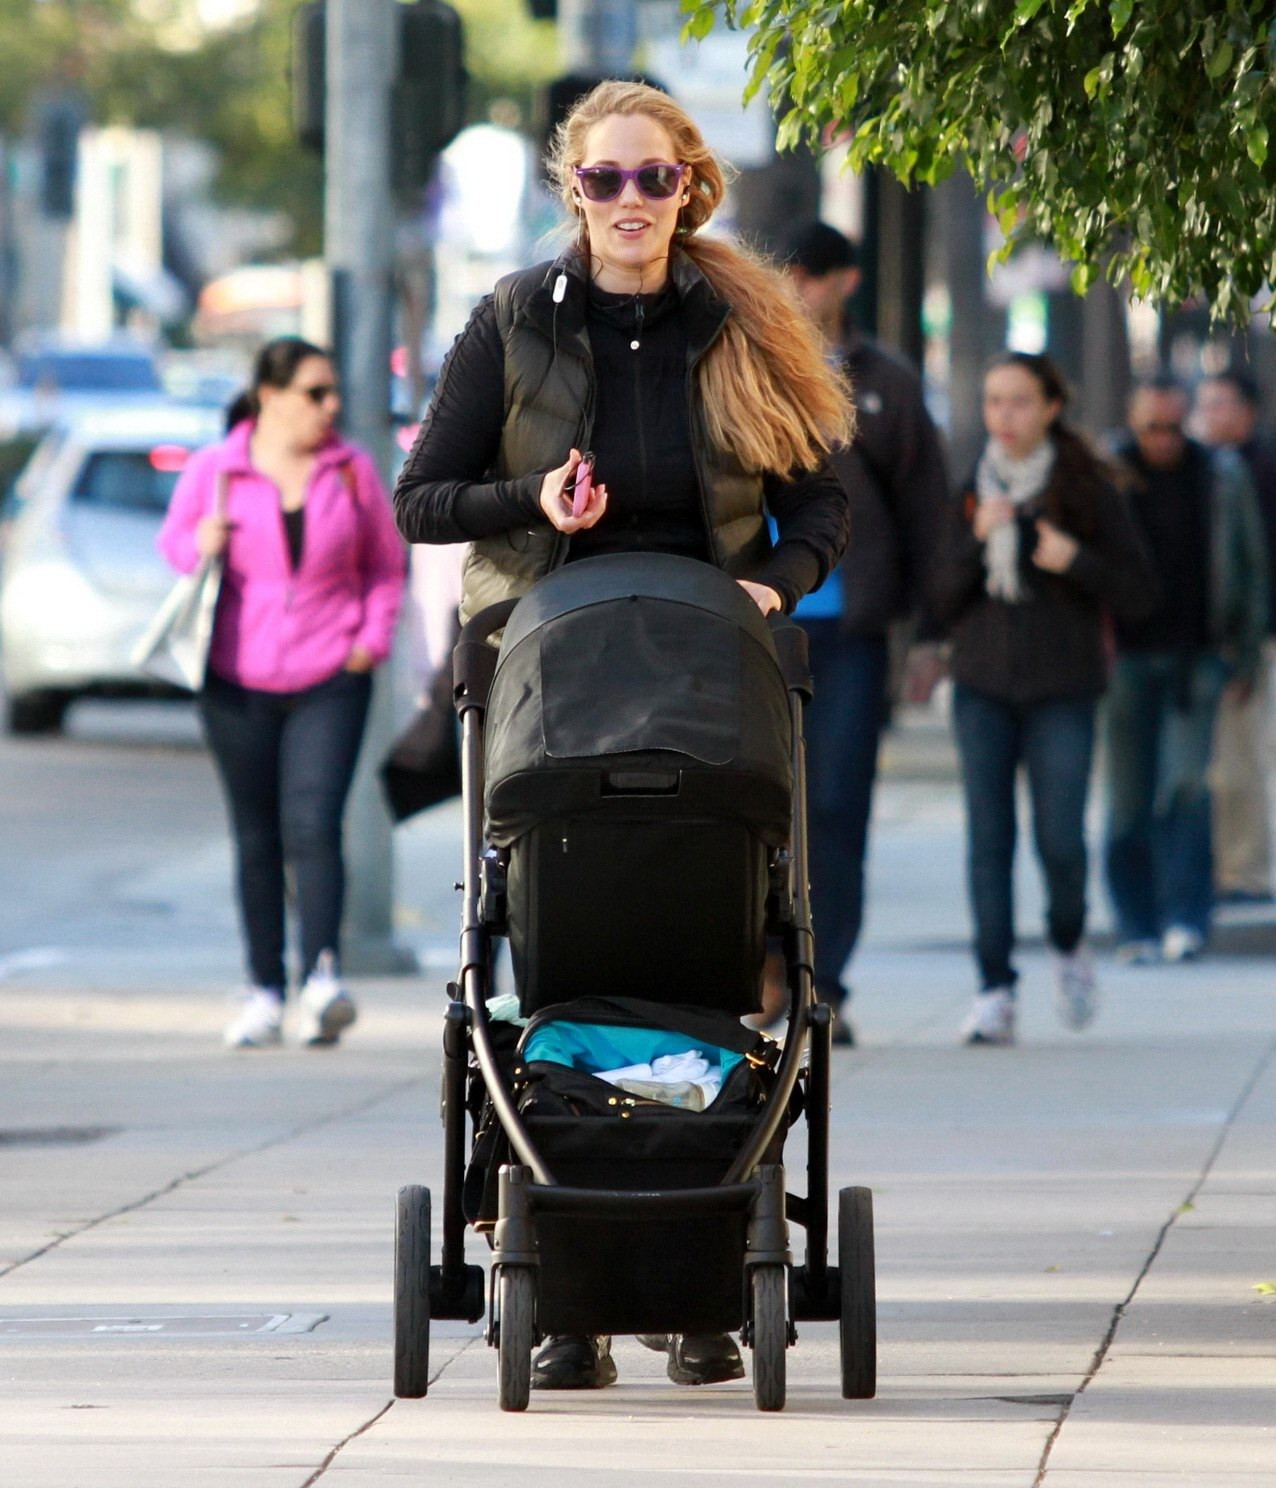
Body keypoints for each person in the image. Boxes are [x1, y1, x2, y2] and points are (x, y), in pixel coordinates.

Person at [393, 82, 852, 1394]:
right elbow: (424, 494)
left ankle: (706, 1277)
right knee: (557, 940)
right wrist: (533, 496)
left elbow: (825, 500)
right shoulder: (512, 322)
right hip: (552, 666)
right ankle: (572, 1296)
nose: (633, 203)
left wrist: (782, 579)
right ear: (570, 190)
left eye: (655, 179)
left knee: (715, 938)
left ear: (690, 184)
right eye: (606, 181)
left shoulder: (745, 321)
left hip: (710, 663)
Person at [157, 338, 407, 1049]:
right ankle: (265, 989)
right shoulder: (217, 471)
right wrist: (199, 543)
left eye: (333, 394)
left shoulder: (352, 471)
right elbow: (173, 549)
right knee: (257, 836)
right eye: (315, 393)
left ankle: (322, 977)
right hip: (235, 677)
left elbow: (387, 569)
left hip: (331, 674)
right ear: (269, 396)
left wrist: (370, 642)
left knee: (313, 823)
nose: (330, 407)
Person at [931, 353, 1154, 1046]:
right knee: (988, 840)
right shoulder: (973, 489)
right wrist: (973, 545)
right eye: (994, 401)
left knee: (1060, 838)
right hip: (981, 687)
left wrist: (1074, 561)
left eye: (1020, 402)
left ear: (1052, 407)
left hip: (1063, 687)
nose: (1005, 416)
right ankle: (995, 988)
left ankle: (1067, 940)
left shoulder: (1090, 492)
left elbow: (1141, 593)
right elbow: (936, 601)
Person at [778, 220, 950, 1047]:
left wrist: (930, 634)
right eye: (789, 275)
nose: (799, 289)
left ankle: (826, 981)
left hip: (850, 630)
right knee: (758, 807)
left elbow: (928, 509)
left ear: (843, 281)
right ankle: (765, 973)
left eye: (811, 276)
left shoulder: (886, 383)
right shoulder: (750, 365)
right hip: (757, 627)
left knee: (839, 806)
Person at [1104, 375, 1269, 963]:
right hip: (1123, 659)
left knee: (1186, 789)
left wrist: (1246, 653)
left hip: (1198, 656)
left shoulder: (1221, 475)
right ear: (1133, 422)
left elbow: (1250, 566)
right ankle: (1135, 923)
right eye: (1152, 427)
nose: (1165, 439)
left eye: (1175, 427)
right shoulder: (1105, 475)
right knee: (1127, 799)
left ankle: (1186, 918)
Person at [1195, 371, 1276, 906]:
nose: (1213, 415)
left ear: (1249, 410)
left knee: (1243, 762)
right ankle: (1218, 868)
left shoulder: (1263, 470)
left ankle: (1248, 871)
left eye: (1223, 404)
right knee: (1213, 766)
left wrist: (1253, 647)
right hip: (1207, 641)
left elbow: (1265, 565)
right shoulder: (1207, 468)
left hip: (1249, 640)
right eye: (1205, 405)